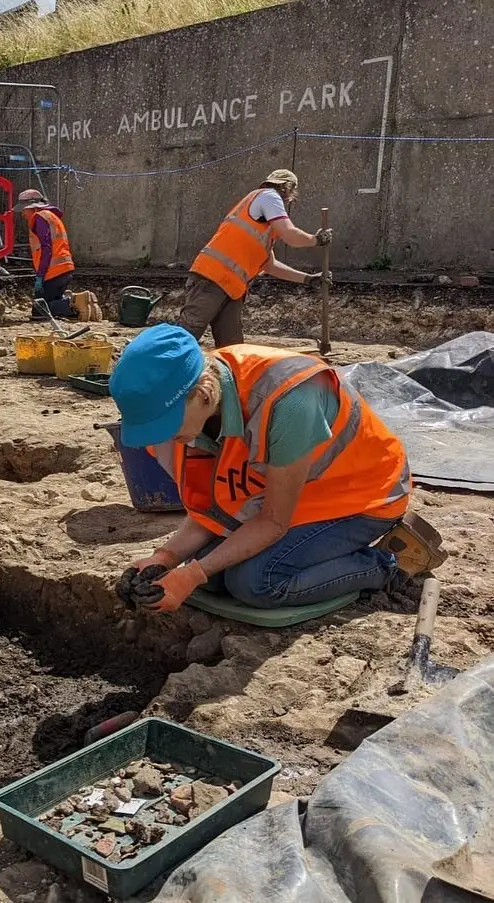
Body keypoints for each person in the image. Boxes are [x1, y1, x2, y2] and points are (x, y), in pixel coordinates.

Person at [109, 323, 411, 612]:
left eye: (167, 426)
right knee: (213, 575)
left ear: (204, 394)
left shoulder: (289, 402)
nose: (161, 438)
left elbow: (273, 521)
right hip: (293, 493)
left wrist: (191, 576)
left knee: (254, 582)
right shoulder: (190, 404)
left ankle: (384, 565)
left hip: (362, 496)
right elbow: (212, 510)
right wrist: (164, 559)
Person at [180, 169, 332, 348]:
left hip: (231, 288)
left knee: (232, 348)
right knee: (187, 336)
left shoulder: (265, 226)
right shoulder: (269, 196)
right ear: (287, 188)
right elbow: (290, 235)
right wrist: (316, 240)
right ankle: (160, 372)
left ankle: (230, 376)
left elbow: (270, 265)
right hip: (212, 277)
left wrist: (307, 279)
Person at [15, 188, 85, 321]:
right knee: (51, 304)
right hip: (65, 269)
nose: (23, 213)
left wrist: (41, 274)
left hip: (53, 272)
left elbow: (46, 248)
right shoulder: (52, 217)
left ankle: (73, 303)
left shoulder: (40, 218)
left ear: (34, 208)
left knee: (39, 310)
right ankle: (72, 304)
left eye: (25, 209)